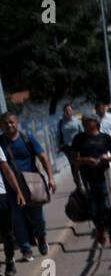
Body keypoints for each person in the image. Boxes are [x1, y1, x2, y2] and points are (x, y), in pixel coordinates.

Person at [1, 112, 56, 261]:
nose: (9, 125)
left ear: (17, 122)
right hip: (11, 188)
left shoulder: (27, 138)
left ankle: (42, 239)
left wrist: (50, 177)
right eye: (5, 123)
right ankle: (26, 249)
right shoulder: (1, 143)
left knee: (38, 218)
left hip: (32, 185)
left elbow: (43, 157)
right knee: (17, 220)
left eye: (11, 122)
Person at [70, 114, 111, 247]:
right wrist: (86, 160)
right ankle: (99, 228)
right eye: (85, 121)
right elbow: (75, 160)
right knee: (94, 209)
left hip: (105, 177)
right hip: (88, 179)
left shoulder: (105, 138)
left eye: (89, 121)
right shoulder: (79, 139)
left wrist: (108, 158)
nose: (86, 123)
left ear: (96, 122)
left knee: (108, 207)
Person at [0, 141, 20, 276]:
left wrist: (18, 190)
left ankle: (9, 260)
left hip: (0, 195)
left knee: (6, 232)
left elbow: (6, 168)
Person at [57, 104, 83, 175]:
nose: (68, 112)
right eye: (66, 111)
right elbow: (58, 136)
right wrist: (59, 146)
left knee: (81, 163)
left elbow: (82, 131)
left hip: (78, 145)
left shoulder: (77, 120)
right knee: (73, 164)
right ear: (64, 112)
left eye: (69, 110)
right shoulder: (61, 123)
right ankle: (78, 183)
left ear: (72, 111)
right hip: (68, 147)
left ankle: (85, 181)